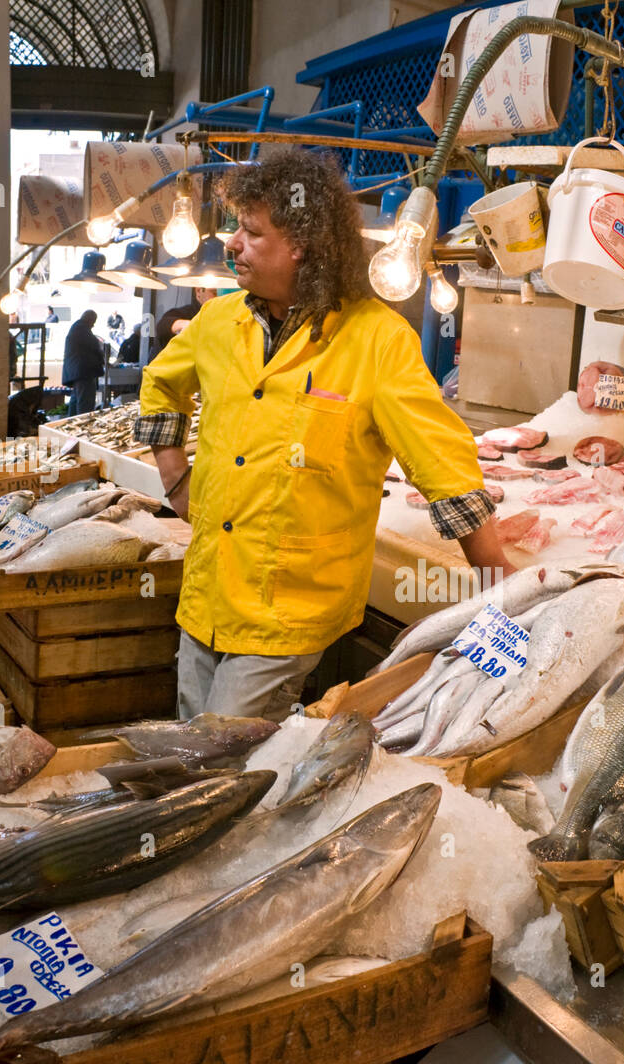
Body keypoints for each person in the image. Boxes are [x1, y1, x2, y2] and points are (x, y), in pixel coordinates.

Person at [137, 149, 512, 721]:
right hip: (207, 591)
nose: (231, 243)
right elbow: (160, 383)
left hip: (291, 605)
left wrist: (498, 585)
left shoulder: (376, 340)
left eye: (251, 231)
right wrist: (174, 477)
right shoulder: (218, 322)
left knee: (221, 763)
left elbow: (441, 460)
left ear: (302, 246)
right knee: (193, 740)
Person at [62, 309, 105, 416]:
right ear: (90, 319)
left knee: (76, 400)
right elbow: (95, 346)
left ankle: (70, 425)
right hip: (84, 372)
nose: (93, 325)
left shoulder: (77, 328)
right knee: (84, 403)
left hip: (78, 372)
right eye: (93, 321)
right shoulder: (81, 329)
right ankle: (81, 426)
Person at [154, 286, 217, 355]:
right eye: (214, 293)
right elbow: (163, 325)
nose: (219, 298)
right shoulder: (182, 313)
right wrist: (184, 325)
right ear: (199, 291)